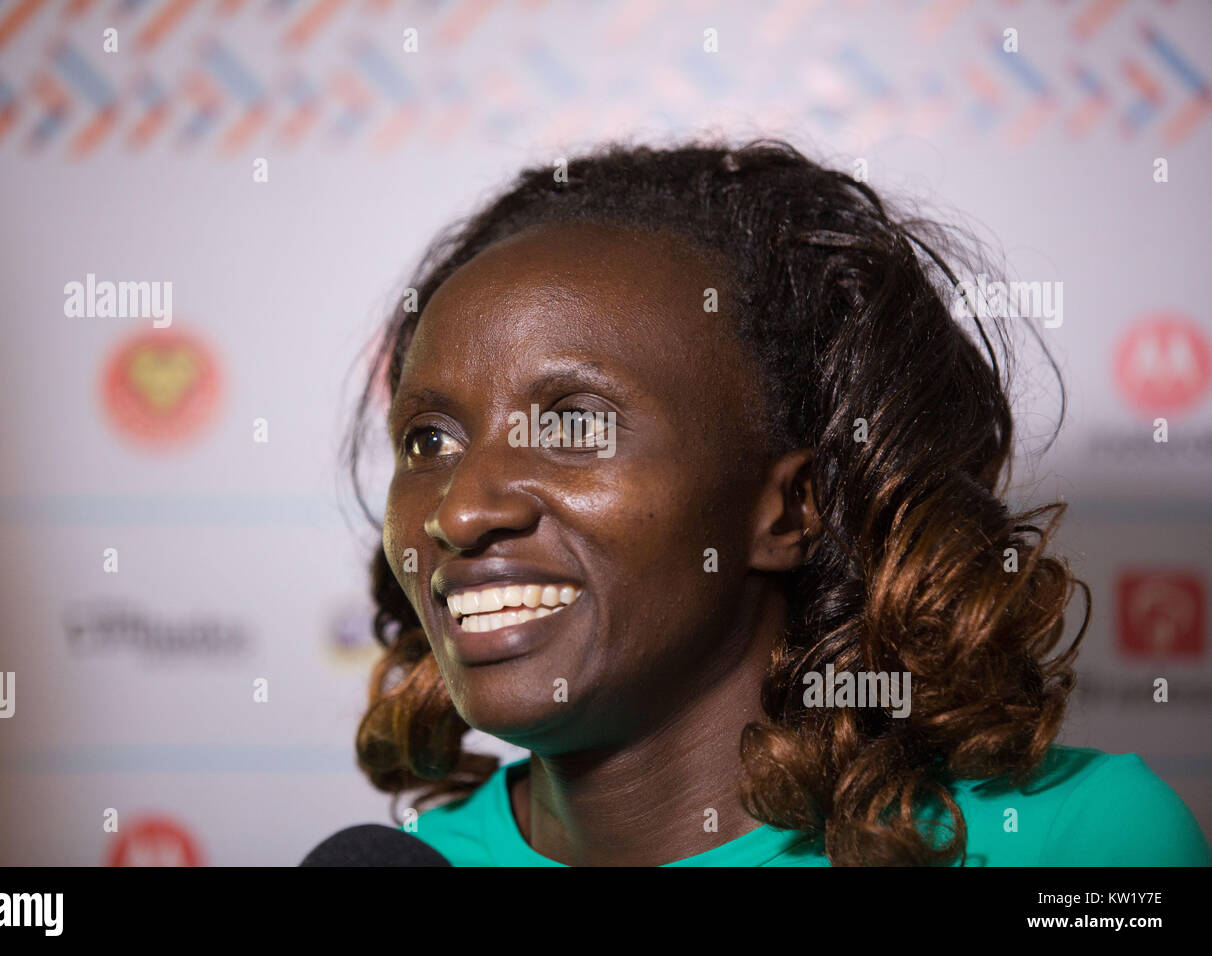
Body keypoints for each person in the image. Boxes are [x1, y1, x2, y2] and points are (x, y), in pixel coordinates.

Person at [342, 139, 1211, 866]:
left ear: (792, 509)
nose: (459, 512)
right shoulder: (422, 860)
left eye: (573, 427)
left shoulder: (1079, 845)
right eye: (430, 442)